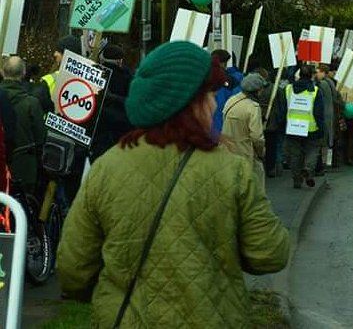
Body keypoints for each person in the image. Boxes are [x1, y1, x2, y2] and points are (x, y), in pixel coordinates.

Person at [56, 42, 289, 327]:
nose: (215, 104)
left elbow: (73, 269)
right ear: (188, 103)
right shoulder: (232, 170)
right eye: (209, 96)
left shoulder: (106, 168)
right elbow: (270, 253)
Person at [277, 64, 327, 189]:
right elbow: (319, 112)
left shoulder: (288, 89)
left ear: (299, 75)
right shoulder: (315, 91)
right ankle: (308, 169)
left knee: (295, 155)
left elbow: (282, 109)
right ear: (311, 75)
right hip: (311, 129)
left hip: (293, 128)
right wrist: (322, 129)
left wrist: (282, 125)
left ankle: (297, 179)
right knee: (312, 151)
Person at [1, 56, 46, 196]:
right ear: (23, 73)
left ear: (2, 72)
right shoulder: (32, 103)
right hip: (23, 170)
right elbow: (41, 138)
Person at [90, 44, 134, 163]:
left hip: (99, 135)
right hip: (122, 134)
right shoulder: (129, 77)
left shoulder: (93, 74)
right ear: (120, 61)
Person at [222, 73, 268, 182]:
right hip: (245, 153)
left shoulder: (231, 100)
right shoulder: (253, 108)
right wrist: (261, 153)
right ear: (256, 90)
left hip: (227, 151)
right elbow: (257, 137)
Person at [35, 35, 83, 113]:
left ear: (67, 55)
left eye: (59, 51)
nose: (55, 54)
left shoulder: (49, 81)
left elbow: (35, 110)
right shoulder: (90, 85)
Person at [314, 63, 342, 174]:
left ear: (322, 72)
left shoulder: (323, 84)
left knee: (324, 141)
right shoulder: (331, 83)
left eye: (318, 72)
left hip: (325, 115)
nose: (316, 74)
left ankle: (324, 163)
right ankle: (329, 162)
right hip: (331, 114)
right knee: (330, 139)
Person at [211, 49, 244, 135]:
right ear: (224, 63)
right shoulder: (233, 81)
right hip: (223, 127)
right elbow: (237, 106)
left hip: (203, 128)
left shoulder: (200, 78)